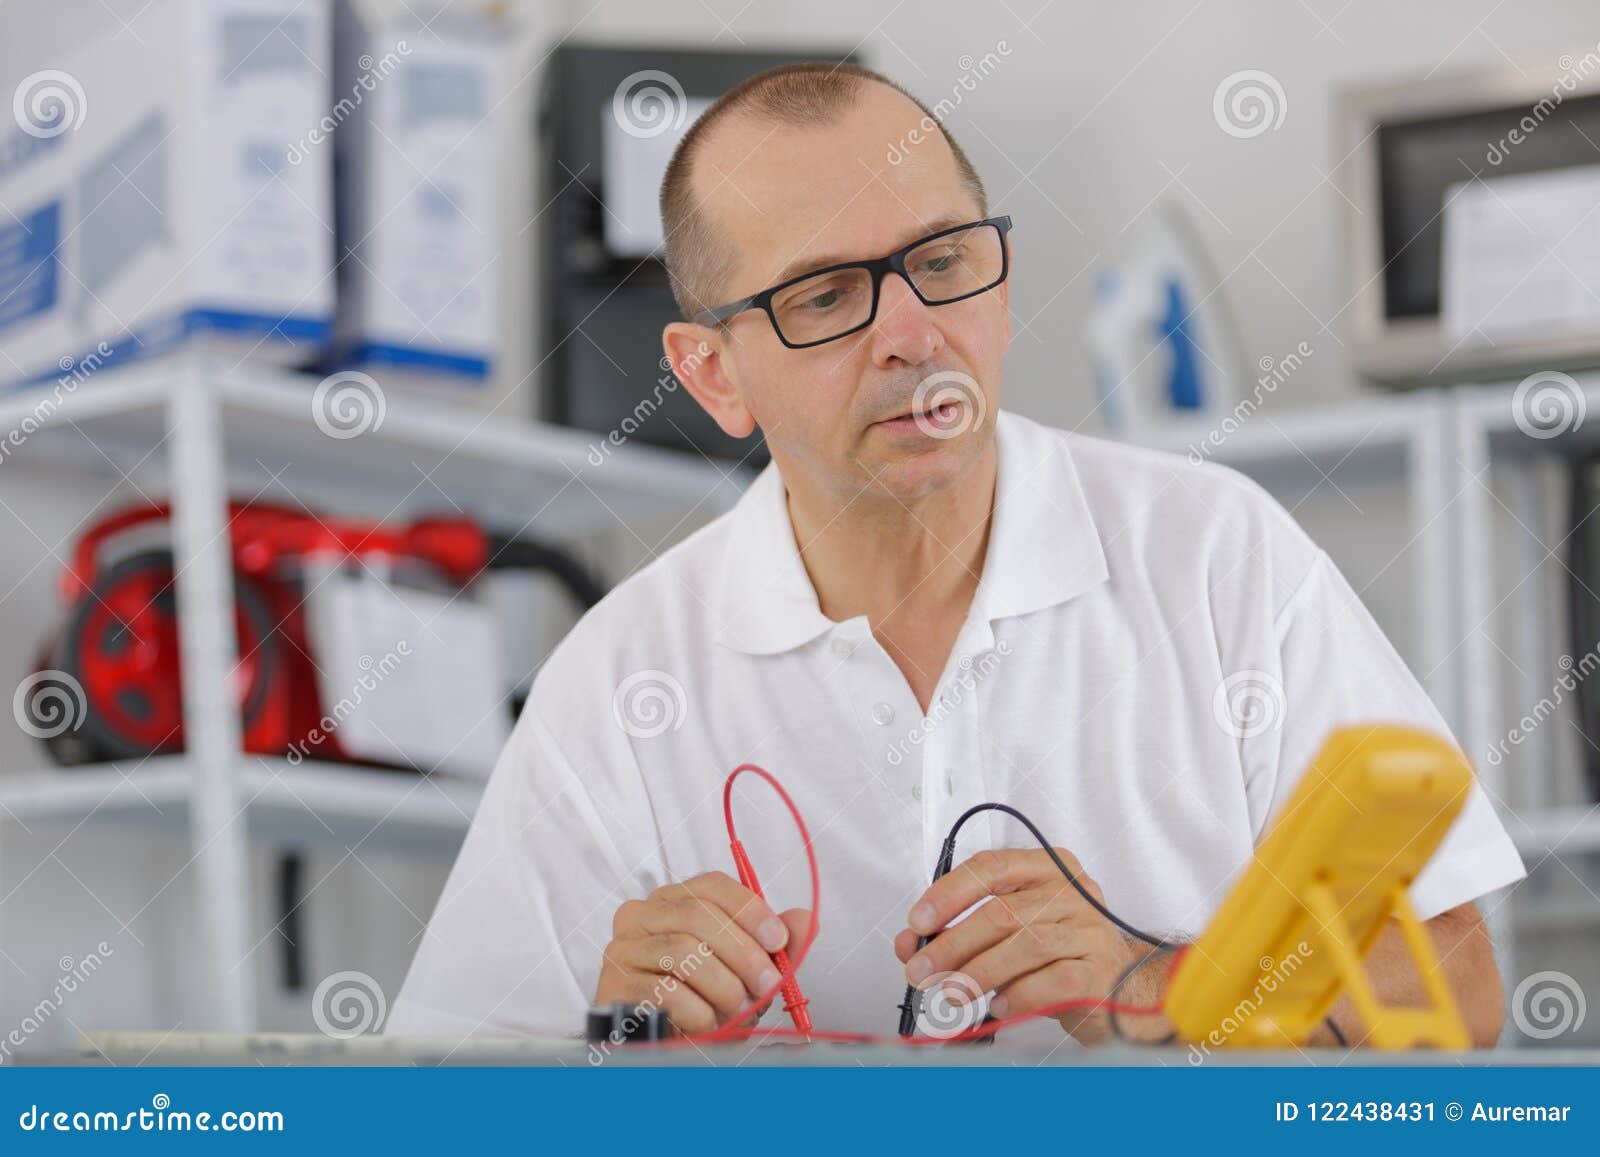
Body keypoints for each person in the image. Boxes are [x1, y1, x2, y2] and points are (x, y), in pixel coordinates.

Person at [388, 62, 1523, 1046]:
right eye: (825, 295)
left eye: (941, 261)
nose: (910, 333)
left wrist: (1149, 984)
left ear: (1001, 279)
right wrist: (619, 1032)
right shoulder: (622, 675)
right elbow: (440, 1095)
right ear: (713, 375)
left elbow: (1460, 997)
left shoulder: (1217, 556)